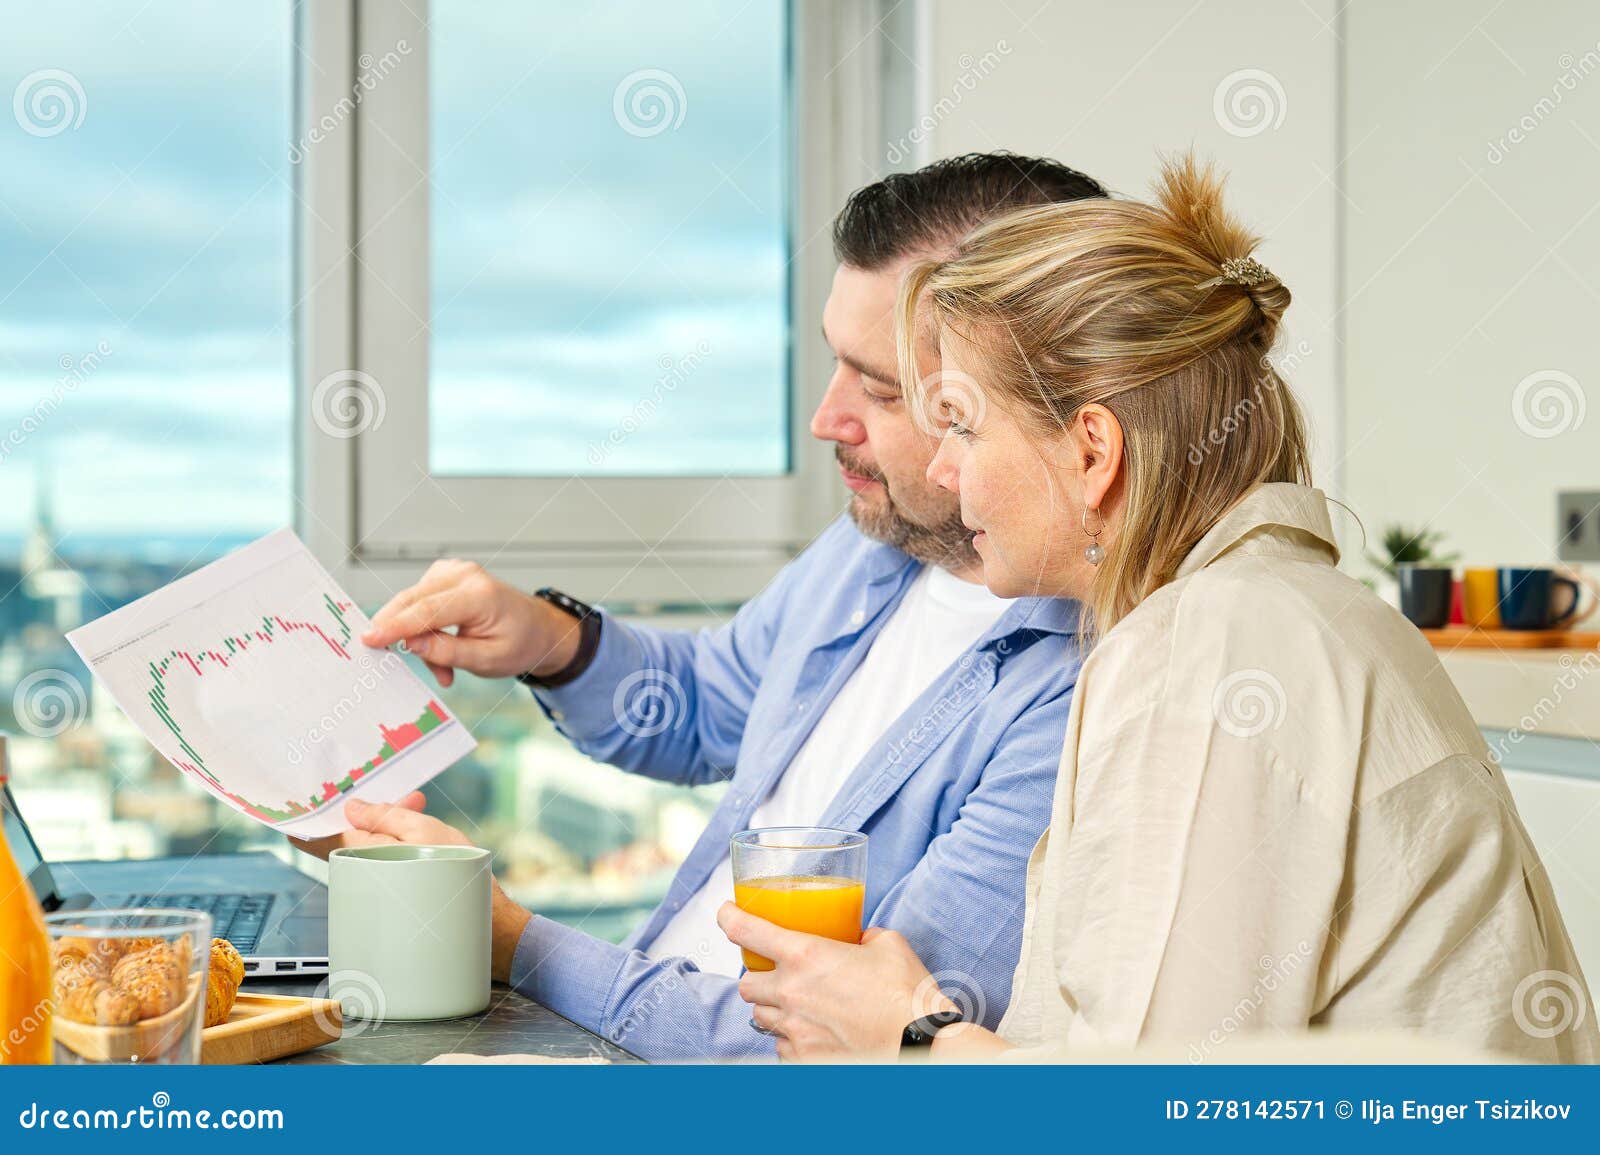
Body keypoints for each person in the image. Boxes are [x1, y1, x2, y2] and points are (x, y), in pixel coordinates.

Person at [719, 154, 1600, 1064]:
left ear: (1093, 450)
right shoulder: (1269, 612)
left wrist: (906, 1034)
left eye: (965, 426)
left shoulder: (1211, 650)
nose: (944, 472)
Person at [295, 154, 1110, 1062]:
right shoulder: (887, 537)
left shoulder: (1086, 690)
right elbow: (712, 702)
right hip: (607, 1030)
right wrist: (548, 639)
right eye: (836, 366)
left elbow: (837, 1048)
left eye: (882, 390)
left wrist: (506, 941)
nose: (827, 418)